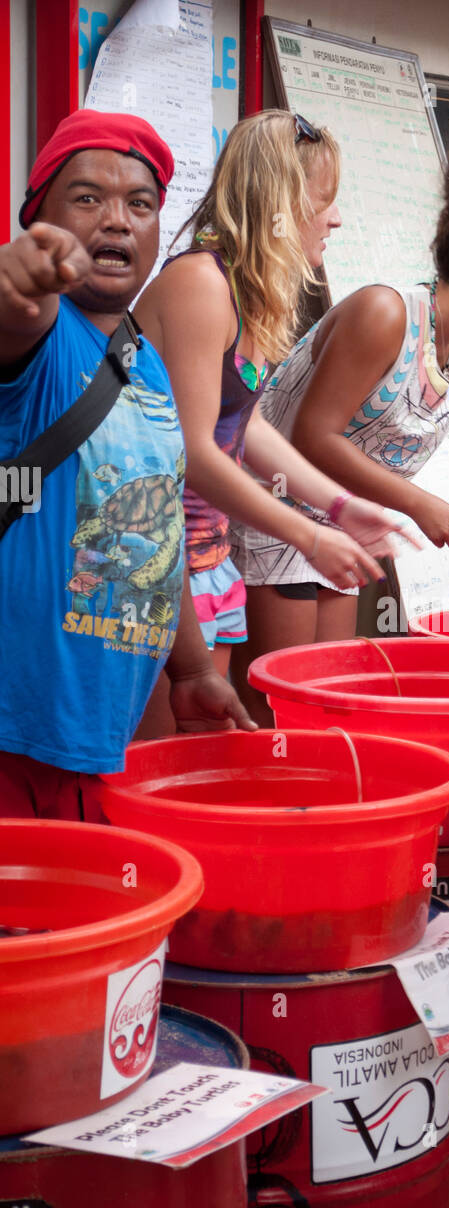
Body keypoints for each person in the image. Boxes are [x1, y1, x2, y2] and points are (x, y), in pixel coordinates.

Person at [230, 149, 449, 725]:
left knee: (322, 710)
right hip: (271, 517)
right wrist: (419, 504)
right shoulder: (386, 312)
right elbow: (315, 437)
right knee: (275, 715)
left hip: (340, 535)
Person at [0, 109, 255, 818]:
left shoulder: (145, 368)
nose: (116, 220)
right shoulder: (43, 342)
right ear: (37, 217)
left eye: (139, 204)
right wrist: (20, 279)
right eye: (86, 199)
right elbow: (14, 315)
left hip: (96, 737)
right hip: (12, 735)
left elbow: (161, 531)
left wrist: (195, 668)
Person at [133, 110, 406, 689]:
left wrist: (339, 506)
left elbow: (244, 424)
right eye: (325, 199)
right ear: (278, 202)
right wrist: (308, 535)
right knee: (159, 758)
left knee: (203, 749)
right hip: (143, 563)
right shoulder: (199, 285)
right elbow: (197, 452)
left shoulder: (242, 289)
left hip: (207, 558)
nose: (336, 218)